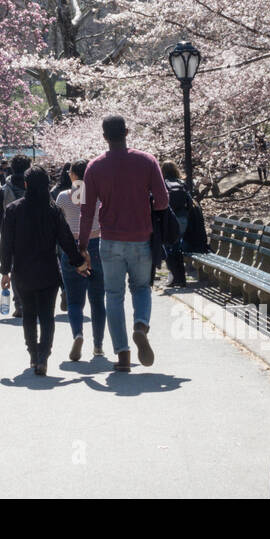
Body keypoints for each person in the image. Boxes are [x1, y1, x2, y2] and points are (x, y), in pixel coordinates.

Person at [78, 115, 170, 373]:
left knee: (113, 296)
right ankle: (140, 326)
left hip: (109, 241)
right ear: (127, 131)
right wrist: (144, 204)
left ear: (104, 136)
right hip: (141, 238)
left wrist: (83, 246)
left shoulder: (94, 167)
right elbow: (163, 202)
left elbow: (86, 211)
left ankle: (123, 355)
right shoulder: (147, 161)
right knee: (141, 287)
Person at [0, 167, 83, 376]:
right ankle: (44, 356)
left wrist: (5, 270)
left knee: (29, 314)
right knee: (47, 316)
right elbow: (65, 239)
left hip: (23, 270)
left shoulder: (13, 210)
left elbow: (6, 243)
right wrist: (78, 261)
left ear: (26, 185)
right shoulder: (53, 210)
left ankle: (33, 354)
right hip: (48, 269)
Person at [55, 160, 105, 359]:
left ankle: (77, 334)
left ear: (73, 175)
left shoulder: (63, 197)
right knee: (98, 300)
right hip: (96, 245)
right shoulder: (100, 196)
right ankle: (98, 346)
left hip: (71, 249)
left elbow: (58, 223)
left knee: (75, 301)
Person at [0, 155, 30, 318]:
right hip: (33, 233)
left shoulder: (5, 188)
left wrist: (4, 230)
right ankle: (31, 302)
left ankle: (19, 304)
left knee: (15, 270)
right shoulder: (33, 185)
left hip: (12, 234)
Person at [160, 160, 201, 287]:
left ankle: (175, 276)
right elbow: (190, 203)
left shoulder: (163, 184)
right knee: (176, 247)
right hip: (183, 219)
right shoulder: (181, 183)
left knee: (168, 248)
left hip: (169, 220)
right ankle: (179, 277)